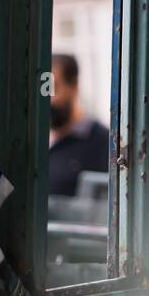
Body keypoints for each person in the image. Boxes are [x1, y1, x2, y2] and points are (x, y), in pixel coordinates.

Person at [47, 53, 110, 196]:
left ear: (74, 85)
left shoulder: (103, 142)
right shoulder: (32, 141)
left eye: (54, 88)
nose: (47, 99)